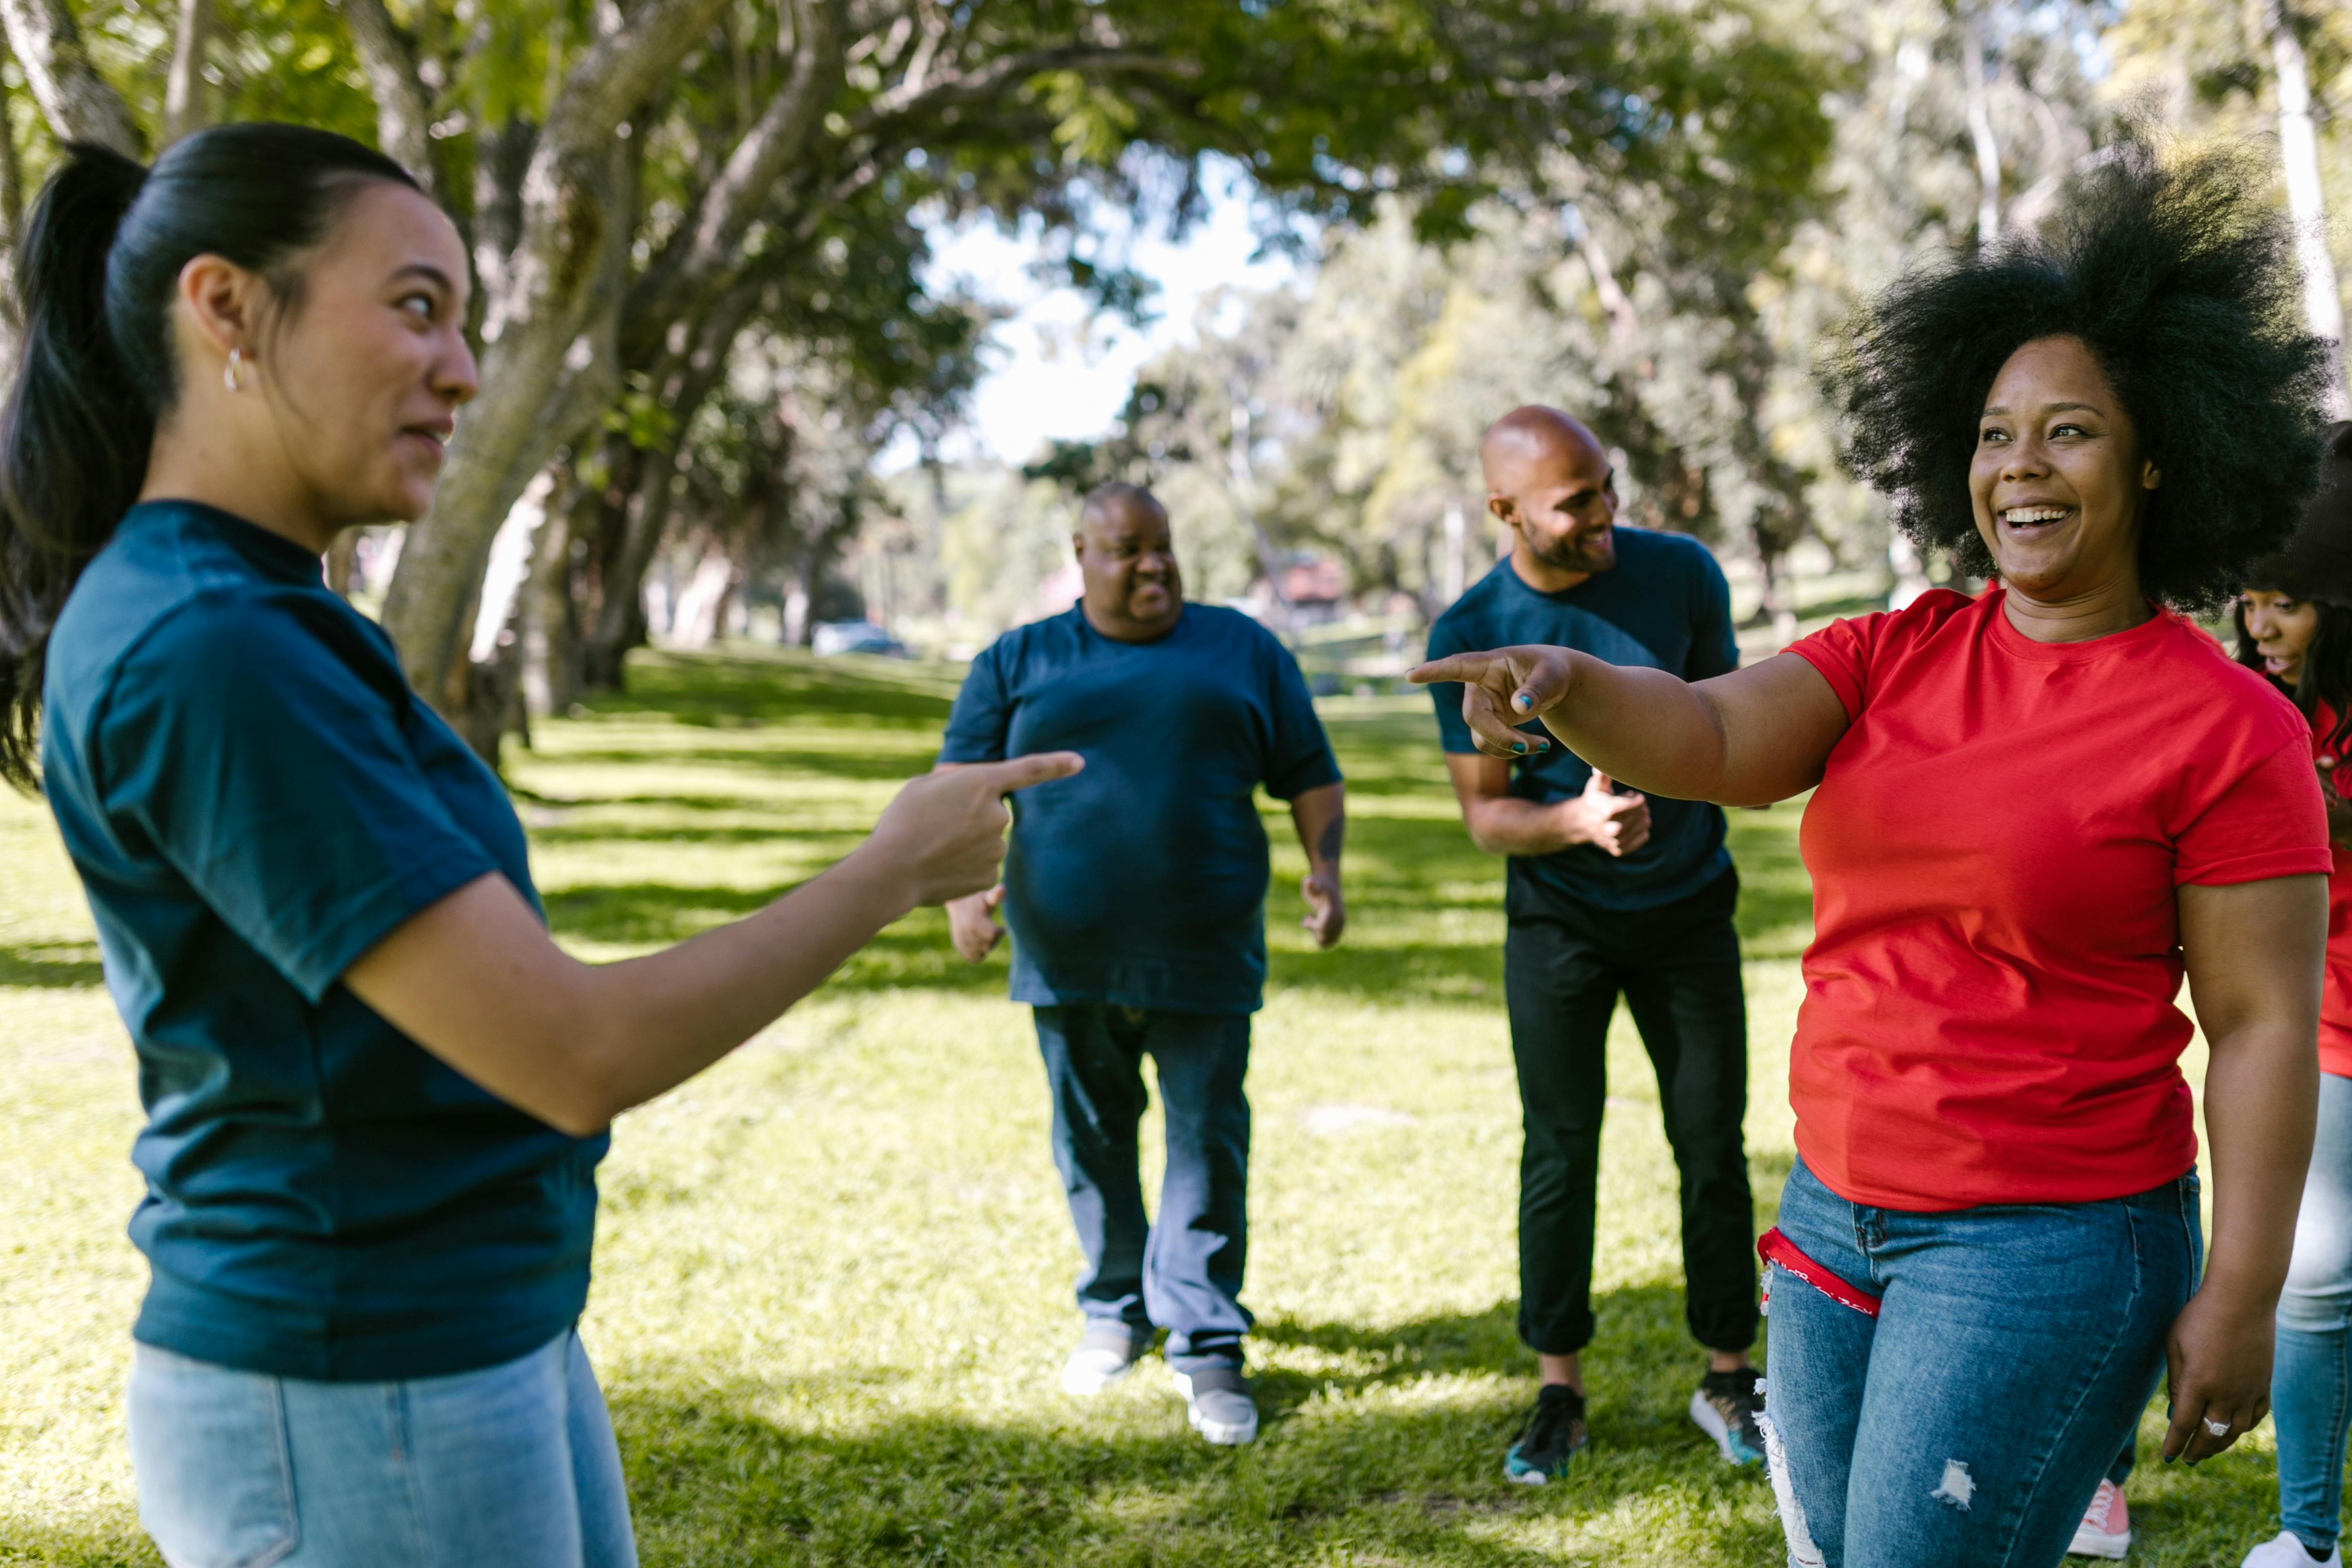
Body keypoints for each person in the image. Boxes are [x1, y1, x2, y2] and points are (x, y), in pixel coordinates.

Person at [1, 127, 1076, 1568]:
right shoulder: (212, 642)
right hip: (355, 1376)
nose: (461, 369)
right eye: (415, 308)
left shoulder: (258, 611)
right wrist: (886, 869)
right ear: (226, 309)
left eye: (467, 321)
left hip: (452, 1330)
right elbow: (565, 1046)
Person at [1412, 142, 2331, 1567]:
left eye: (2068, 431)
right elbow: (1709, 734)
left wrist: (2248, 1282)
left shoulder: (2228, 726)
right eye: (1990, 431)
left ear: (2157, 453)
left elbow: (2265, 1021)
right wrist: (1562, 677)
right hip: (1835, 1214)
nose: (2017, 464)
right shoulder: (1896, 649)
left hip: (2047, 1243)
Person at [936, 482, 1346, 1448]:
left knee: (1206, 1146)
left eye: (1162, 547)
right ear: (1081, 553)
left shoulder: (1242, 648)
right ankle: (1112, 1312)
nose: (1153, 565)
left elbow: (1311, 775)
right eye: (1127, 550)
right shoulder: (1019, 659)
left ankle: (1206, 1346)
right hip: (1065, 954)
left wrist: (1323, 870)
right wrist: (963, 891)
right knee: (1091, 1141)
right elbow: (959, 786)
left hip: (1203, 949)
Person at [1422, 405, 1760, 1484]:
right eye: (1577, 502)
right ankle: (1558, 1391)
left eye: (1607, 486)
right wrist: (1574, 821)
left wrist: (1676, 782)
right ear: (1505, 511)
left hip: (1690, 909)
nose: (1606, 514)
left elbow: (1726, 728)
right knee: (1559, 1148)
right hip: (1559, 925)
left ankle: (1728, 1376)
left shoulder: (1681, 577)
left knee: (1711, 1143)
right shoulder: (1471, 629)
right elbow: (1486, 818)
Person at [2233, 425, 2352, 1568]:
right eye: (2249, 601)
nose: (2259, 626)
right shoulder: (2266, 721)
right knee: (2314, 1283)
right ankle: (2305, 1537)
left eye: (2287, 603)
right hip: (2329, 1041)